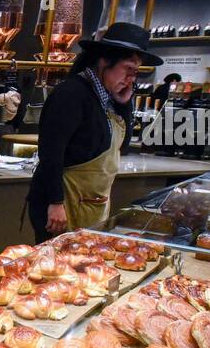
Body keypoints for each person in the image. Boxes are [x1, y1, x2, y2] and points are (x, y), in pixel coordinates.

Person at [28, 22, 162, 242]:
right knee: (57, 271)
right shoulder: (71, 93)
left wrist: (125, 103)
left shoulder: (110, 99)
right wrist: (55, 202)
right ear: (104, 60)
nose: (131, 79)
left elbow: (124, 146)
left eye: (136, 73)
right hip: (61, 205)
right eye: (128, 70)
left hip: (92, 205)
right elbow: (50, 153)